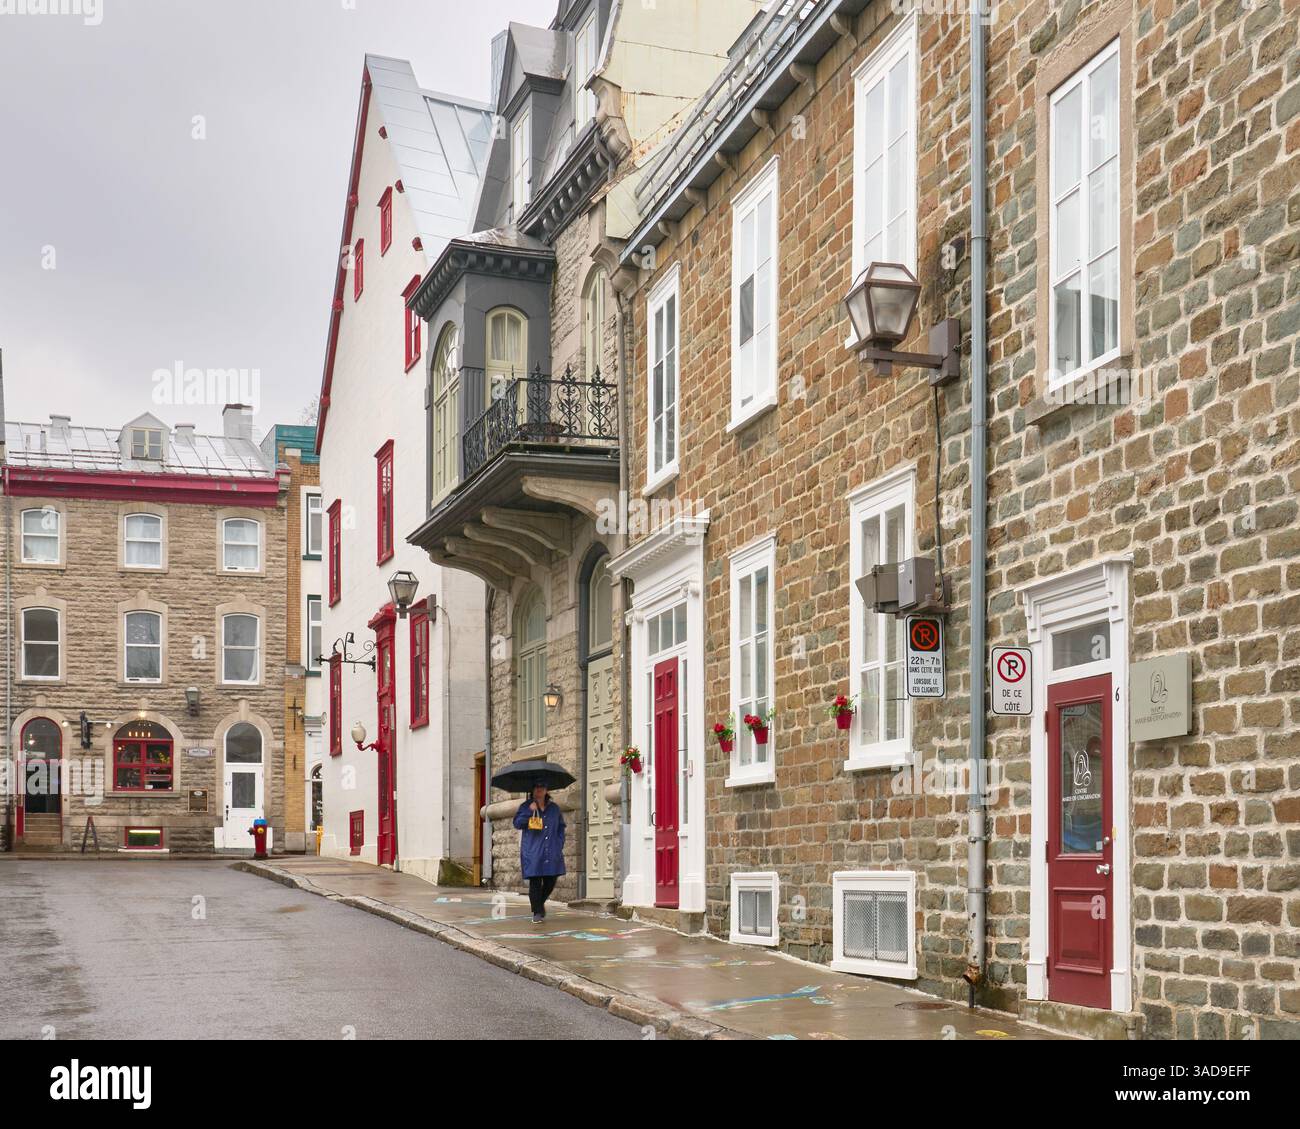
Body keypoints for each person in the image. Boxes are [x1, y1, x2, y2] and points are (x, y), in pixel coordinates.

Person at [513, 783, 566, 922]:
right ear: (532, 790)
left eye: (542, 787)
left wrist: (559, 843)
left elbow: (561, 827)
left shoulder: (554, 808)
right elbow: (517, 823)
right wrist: (529, 811)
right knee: (535, 881)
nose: (539, 789)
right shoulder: (526, 806)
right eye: (536, 787)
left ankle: (539, 904)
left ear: (546, 789)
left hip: (552, 850)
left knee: (551, 880)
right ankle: (537, 912)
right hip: (533, 850)